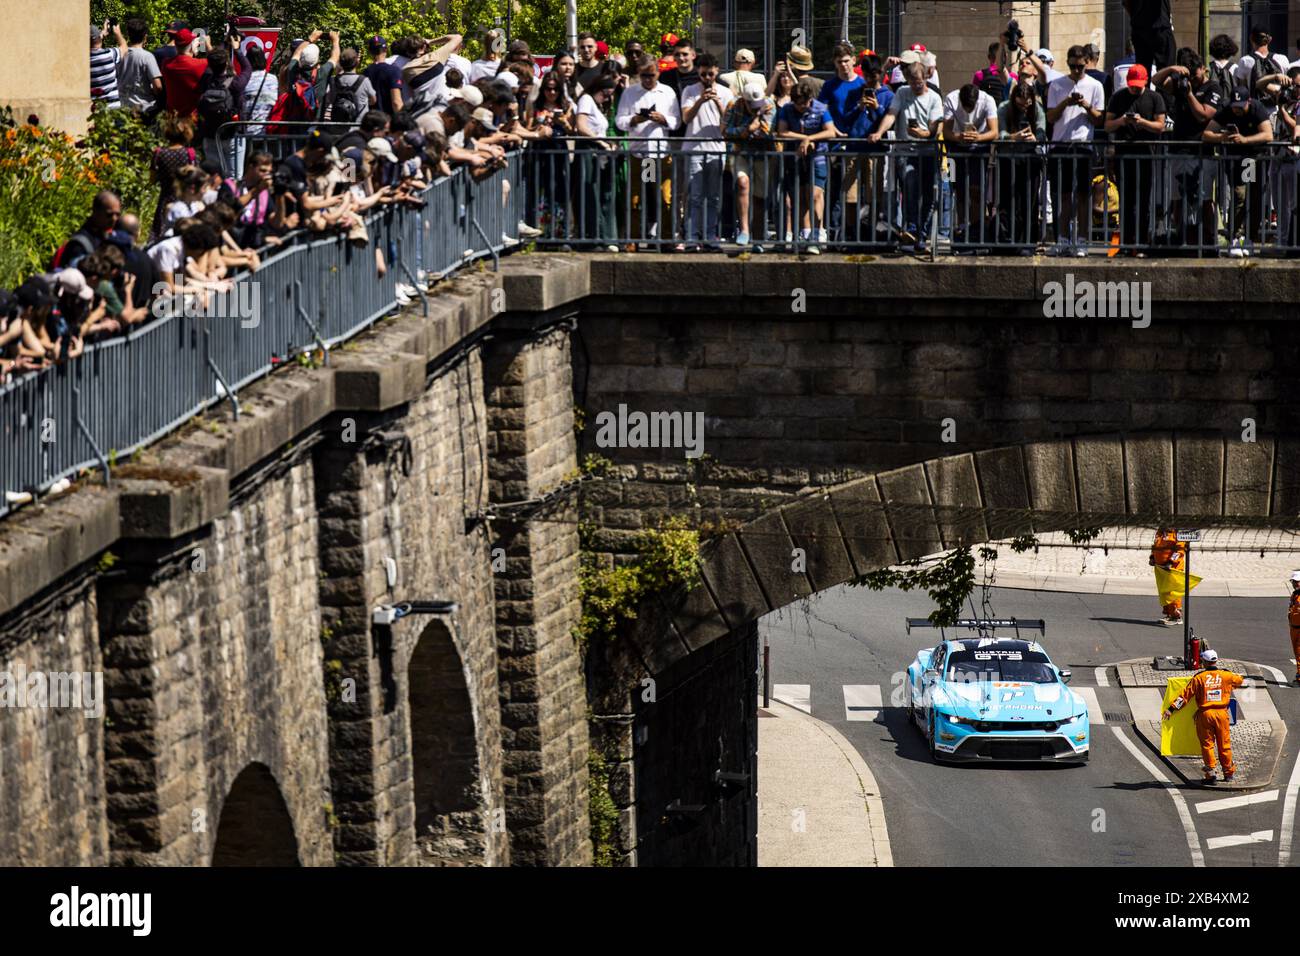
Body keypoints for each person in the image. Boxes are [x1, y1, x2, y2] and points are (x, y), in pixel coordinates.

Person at [870, 61, 943, 252]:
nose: (916, 86)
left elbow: (935, 126)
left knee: (928, 193)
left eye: (919, 82)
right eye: (912, 82)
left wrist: (925, 134)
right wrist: (879, 132)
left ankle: (923, 233)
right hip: (906, 151)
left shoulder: (934, 98)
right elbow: (892, 114)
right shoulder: (902, 92)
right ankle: (911, 226)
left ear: (925, 78)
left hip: (927, 151)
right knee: (910, 183)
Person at [1154, 49, 1222, 249]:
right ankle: (1179, 236)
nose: (1192, 79)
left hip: (1202, 152)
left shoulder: (1213, 88)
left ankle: (1209, 239)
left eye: (1195, 75)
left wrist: (1190, 94)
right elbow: (1156, 81)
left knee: (1204, 198)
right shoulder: (1180, 84)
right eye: (1189, 76)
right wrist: (1172, 69)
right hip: (1179, 149)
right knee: (1177, 198)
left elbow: (1204, 115)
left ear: (1203, 68)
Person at [615, 55, 681, 245]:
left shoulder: (667, 92)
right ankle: (633, 240)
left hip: (660, 154)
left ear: (658, 73)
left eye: (651, 75)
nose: (647, 79)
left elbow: (677, 122)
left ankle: (667, 239)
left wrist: (663, 119)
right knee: (636, 199)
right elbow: (620, 121)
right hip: (640, 155)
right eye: (644, 75)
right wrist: (634, 120)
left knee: (664, 198)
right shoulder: (630, 93)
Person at [1046, 46, 1106, 255]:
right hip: (1060, 144)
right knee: (1062, 195)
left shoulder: (1095, 86)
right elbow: (1051, 117)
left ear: (1087, 62)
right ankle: (1062, 238)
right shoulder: (1057, 85)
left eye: (1080, 66)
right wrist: (1066, 102)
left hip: (1083, 145)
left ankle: (1082, 240)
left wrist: (1086, 105)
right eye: (1072, 66)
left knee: (1083, 196)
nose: (1076, 70)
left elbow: (1100, 120)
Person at [1104, 63, 1166, 254]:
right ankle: (1126, 242)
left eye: (1138, 85)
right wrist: (1122, 121)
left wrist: (1142, 122)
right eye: (1132, 85)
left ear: (1146, 81)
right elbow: (1107, 125)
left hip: (1146, 154)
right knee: (1126, 201)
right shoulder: (1119, 97)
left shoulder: (1154, 97)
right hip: (1124, 154)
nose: (1134, 88)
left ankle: (1141, 242)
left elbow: (1160, 126)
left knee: (1143, 200)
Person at [1204, 86, 1274, 256]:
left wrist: (1244, 140)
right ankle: (1235, 237)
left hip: (1253, 158)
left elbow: (1268, 135)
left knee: (1254, 197)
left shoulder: (1257, 108)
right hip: (1237, 160)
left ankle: (1249, 237)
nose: (1237, 109)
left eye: (1240, 106)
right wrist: (1222, 137)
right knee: (1239, 196)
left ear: (1248, 101)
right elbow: (1206, 134)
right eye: (1235, 106)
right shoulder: (1227, 110)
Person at [1161, 648, 1245, 784]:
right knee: (1224, 744)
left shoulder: (1199, 678)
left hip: (1205, 715)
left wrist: (1171, 709)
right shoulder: (1226, 676)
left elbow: (1185, 695)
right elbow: (1240, 681)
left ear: (1204, 662)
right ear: (1216, 661)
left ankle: (1211, 774)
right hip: (1222, 714)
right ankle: (1229, 773)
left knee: (1207, 745)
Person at [681, 53, 734, 249]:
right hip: (694, 148)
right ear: (698, 72)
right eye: (703, 75)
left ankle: (711, 235)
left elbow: (730, 122)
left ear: (717, 72)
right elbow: (686, 118)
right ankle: (692, 236)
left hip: (716, 149)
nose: (707, 79)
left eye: (710, 74)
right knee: (694, 196)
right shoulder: (689, 90)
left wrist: (718, 103)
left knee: (713, 197)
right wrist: (700, 101)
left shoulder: (726, 92)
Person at [777, 78, 836, 254]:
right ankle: (806, 232)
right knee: (800, 195)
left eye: (805, 103)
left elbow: (830, 131)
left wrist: (810, 138)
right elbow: (782, 131)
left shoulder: (820, 108)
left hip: (817, 156)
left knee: (815, 194)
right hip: (795, 158)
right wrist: (802, 139)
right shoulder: (787, 109)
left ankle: (818, 234)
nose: (802, 107)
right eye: (799, 104)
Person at [943, 82, 999, 248]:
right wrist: (959, 137)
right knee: (956, 187)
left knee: (976, 189)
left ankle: (977, 227)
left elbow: (994, 131)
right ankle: (960, 225)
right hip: (954, 148)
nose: (968, 111)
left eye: (971, 107)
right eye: (965, 107)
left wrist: (977, 138)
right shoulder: (951, 99)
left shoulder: (987, 100)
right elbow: (945, 131)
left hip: (979, 148)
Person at [724, 82, 776, 248]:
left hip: (763, 154)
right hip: (741, 153)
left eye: (757, 106)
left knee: (759, 198)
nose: (755, 108)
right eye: (751, 106)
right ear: (744, 100)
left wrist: (747, 130)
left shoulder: (768, 103)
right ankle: (744, 230)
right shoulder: (734, 104)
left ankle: (758, 239)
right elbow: (725, 131)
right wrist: (748, 129)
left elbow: (764, 132)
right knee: (743, 184)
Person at [996, 79, 1046, 252]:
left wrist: (1035, 138)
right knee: (1008, 202)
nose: (1024, 109)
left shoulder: (1037, 108)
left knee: (1029, 202)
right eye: (1020, 105)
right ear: (1014, 100)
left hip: (1030, 159)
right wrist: (1013, 137)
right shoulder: (1004, 108)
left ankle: (1028, 243)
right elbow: (999, 133)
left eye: (1027, 105)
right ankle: (1007, 242)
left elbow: (1042, 130)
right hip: (1008, 159)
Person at [574, 76, 619, 250]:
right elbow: (582, 126)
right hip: (589, 150)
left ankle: (604, 236)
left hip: (602, 153)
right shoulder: (586, 100)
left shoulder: (599, 106)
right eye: (605, 94)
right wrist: (600, 141)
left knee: (603, 193)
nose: (607, 99)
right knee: (590, 193)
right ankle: (593, 237)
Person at [115, 18, 162, 114]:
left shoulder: (119, 54)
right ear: (145, 37)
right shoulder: (147, 57)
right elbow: (158, 86)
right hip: (144, 109)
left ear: (128, 35)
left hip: (124, 109)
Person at [160, 28, 209, 118]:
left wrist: (191, 52)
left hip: (172, 118)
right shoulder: (201, 64)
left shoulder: (166, 64)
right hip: (192, 119)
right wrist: (208, 45)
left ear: (175, 44)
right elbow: (218, 60)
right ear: (191, 45)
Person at [1124, 0, 1176, 75]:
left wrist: (1136, 17)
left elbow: (1126, 3)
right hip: (1159, 27)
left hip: (1139, 28)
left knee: (1142, 73)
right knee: (1166, 73)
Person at [328, 48, 377, 123]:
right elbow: (373, 100)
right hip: (358, 126)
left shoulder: (333, 80)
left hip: (337, 125)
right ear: (357, 62)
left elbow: (330, 100)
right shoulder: (364, 80)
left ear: (341, 63)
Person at [1149, 527, 1186, 624]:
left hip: (1173, 568)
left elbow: (1180, 550)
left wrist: (1171, 562)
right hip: (1160, 568)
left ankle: (1176, 615)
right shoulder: (1160, 532)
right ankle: (1169, 614)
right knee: (1164, 590)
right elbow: (1155, 545)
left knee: (1172, 592)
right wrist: (1152, 557)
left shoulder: (1178, 533)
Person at [365, 36, 405, 114]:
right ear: (386, 49)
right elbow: (396, 102)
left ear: (370, 52)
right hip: (388, 121)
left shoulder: (365, 72)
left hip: (371, 120)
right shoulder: (393, 70)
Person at [90, 23, 122, 109]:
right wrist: (118, 33)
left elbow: (93, 43)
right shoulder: (109, 54)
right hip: (114, 109)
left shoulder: (83, 60)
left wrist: (102, 34)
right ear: (99, 38)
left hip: (95, 111)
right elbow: (124, 48)